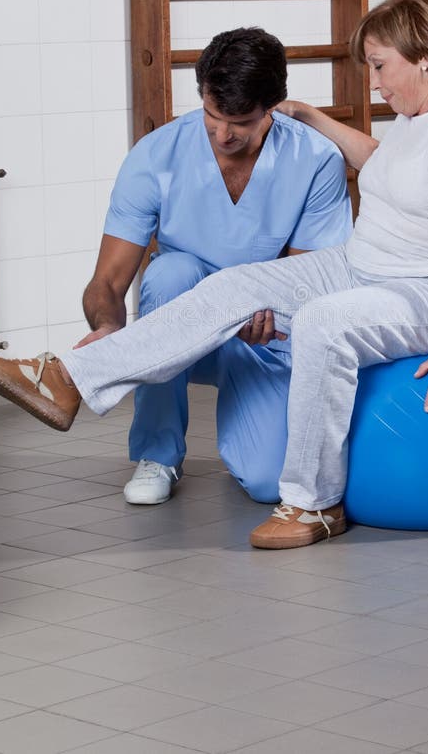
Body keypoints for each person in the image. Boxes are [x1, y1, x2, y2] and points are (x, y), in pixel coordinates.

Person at [0, 0, 428, 550]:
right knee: (233, 284)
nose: (375, 82)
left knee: (324, 324)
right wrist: (310, 114)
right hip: (368, 267)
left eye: (380, 66)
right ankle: (64, 378)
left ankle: (313, 504)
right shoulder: (416, 118)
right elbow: (387, 165)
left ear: (422, 55)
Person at [53, 27, 352, 507]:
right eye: (213, 115)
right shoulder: (155, 154)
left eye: (242, 122)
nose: (223, 134)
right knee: (170, 273)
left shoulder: (316, 160)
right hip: (175, 327)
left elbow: (309, 284)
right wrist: (109, 325)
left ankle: (73, 377)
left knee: (266, 482)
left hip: (263, 332)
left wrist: (267, 312)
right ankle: (157, 452)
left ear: (272, 106)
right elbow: (107, 281)